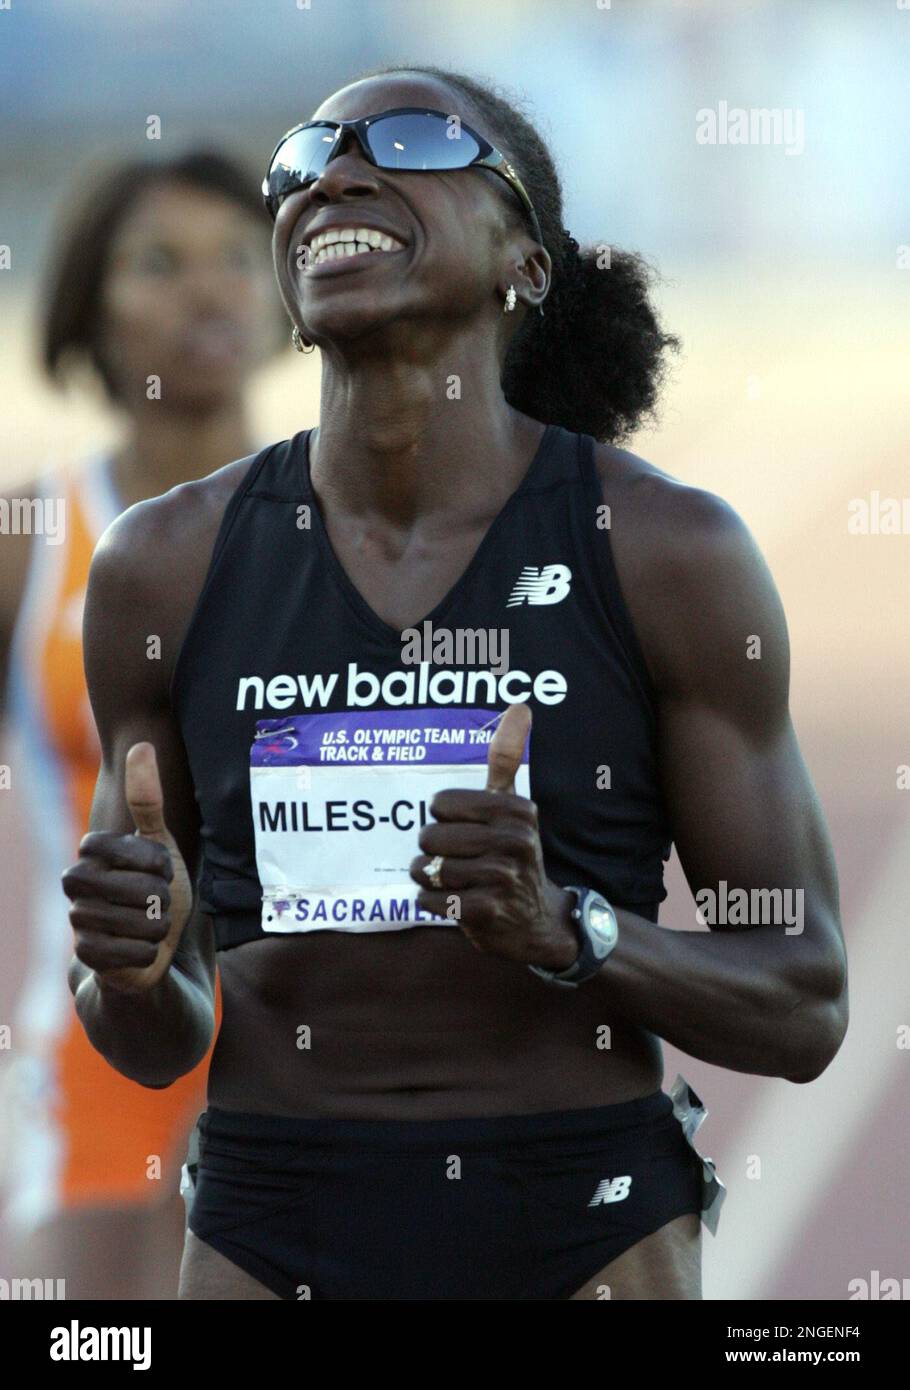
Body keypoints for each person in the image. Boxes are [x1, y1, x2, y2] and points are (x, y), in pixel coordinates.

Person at [61, 66, 848, 1301]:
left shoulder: (663, 552)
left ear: (523, 263)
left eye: (410, 138)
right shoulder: (163, 567)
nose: (335, 173)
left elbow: (803, 999)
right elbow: (152, 1043)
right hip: (274, 1217)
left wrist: (569, 930)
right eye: (304, 156)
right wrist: (130, 965)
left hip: (582, 1218)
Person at [1, 149, 280, 1298]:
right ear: (88, 307)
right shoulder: (33, 534)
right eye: (158, 263)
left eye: (233, 258)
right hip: (102, 1035)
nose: (207, 289)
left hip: (316, 1040)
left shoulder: (359, 522)